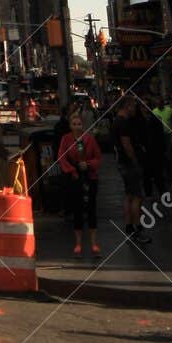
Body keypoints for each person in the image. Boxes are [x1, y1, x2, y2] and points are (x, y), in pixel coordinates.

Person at [57, 106, 102, 257]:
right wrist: (71, 170)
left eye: (79, 124)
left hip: (89, 177)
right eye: (74, 124)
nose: (77, 127)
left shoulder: (90, 139)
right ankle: (78, 245)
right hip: (74, 177)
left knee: (91, 210)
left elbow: (98, 157)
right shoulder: (66, 139)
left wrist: (89, 165)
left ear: (83, 125)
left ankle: (94, 244)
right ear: (70, 126)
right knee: (77, 210)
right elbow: (61, 157)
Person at [113, 95, 150, 242]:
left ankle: (129, 227)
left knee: (129, 195)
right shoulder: (124, 123)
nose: (135, 109)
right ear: (127, 106)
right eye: (133, 106)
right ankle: (137, 229)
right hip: (129, 164)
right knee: (137, 197)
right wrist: (135, 161)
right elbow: (127, 144)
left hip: (122, 163)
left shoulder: (117, 122)